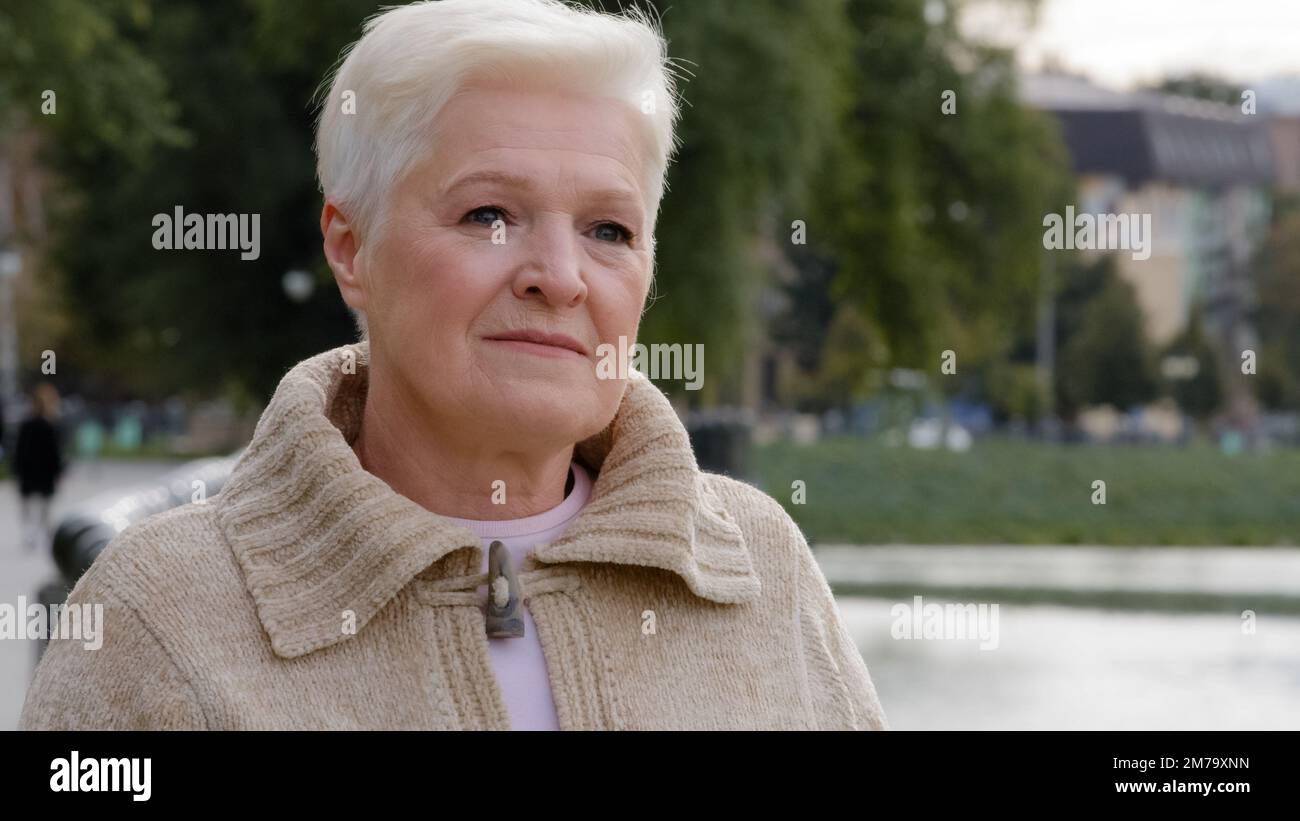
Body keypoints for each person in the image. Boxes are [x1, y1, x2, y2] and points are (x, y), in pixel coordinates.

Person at [19, 0, 887, 730]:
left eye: (609, 230)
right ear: (351, 247)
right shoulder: (159, 615)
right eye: (487, 215)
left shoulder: (761, 566)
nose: (559, 275)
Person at [13, 383, 65, 553]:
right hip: (44, 471)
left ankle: (30, 532)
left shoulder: (26, 425)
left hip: (28, 470)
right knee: (44, 505)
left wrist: (17, 469)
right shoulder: (50, 426)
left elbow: (19, 450)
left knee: (27, 503)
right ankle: (40, 532)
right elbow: (55, 452)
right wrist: (58, 471)